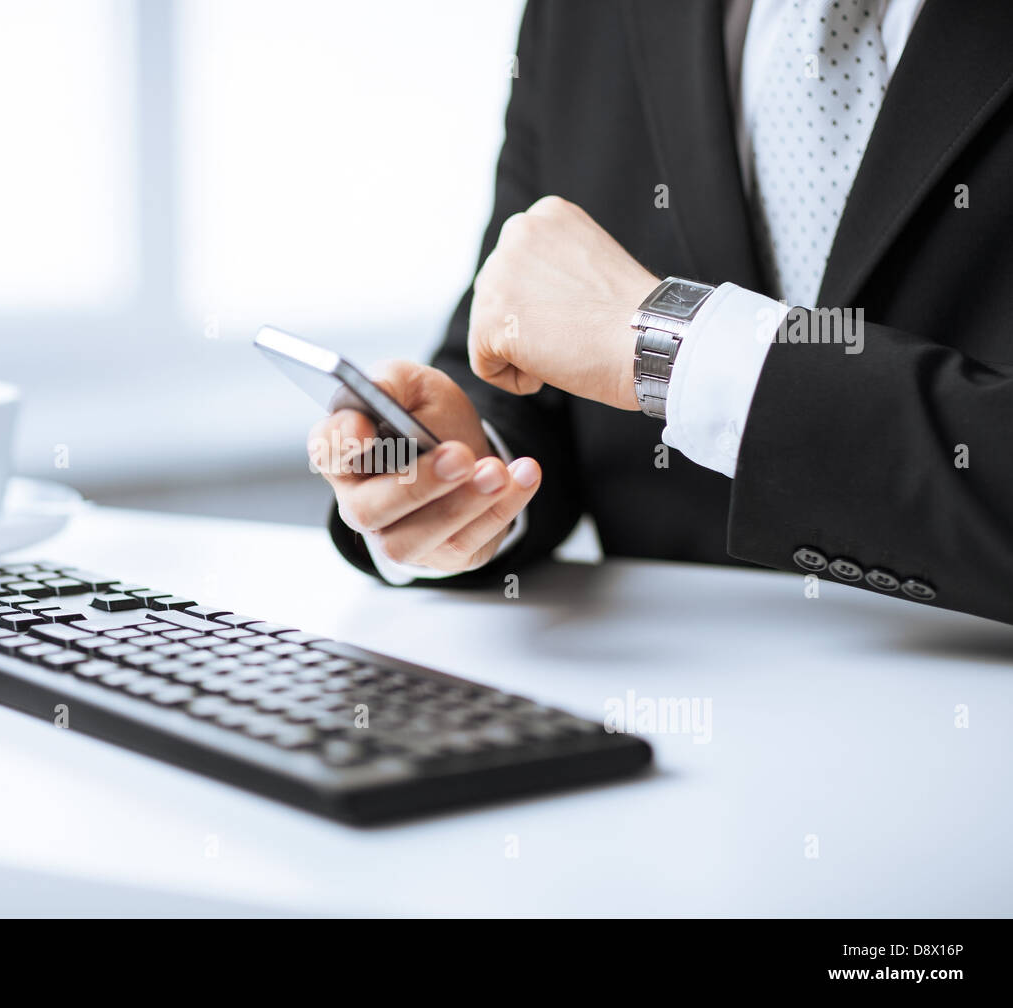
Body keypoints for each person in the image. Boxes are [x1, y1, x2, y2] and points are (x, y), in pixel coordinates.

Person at [309, 0, 1013, 626]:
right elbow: (523, 346)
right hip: (649, 715)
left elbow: (620, 328)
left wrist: (676, 345)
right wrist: (460, 476)